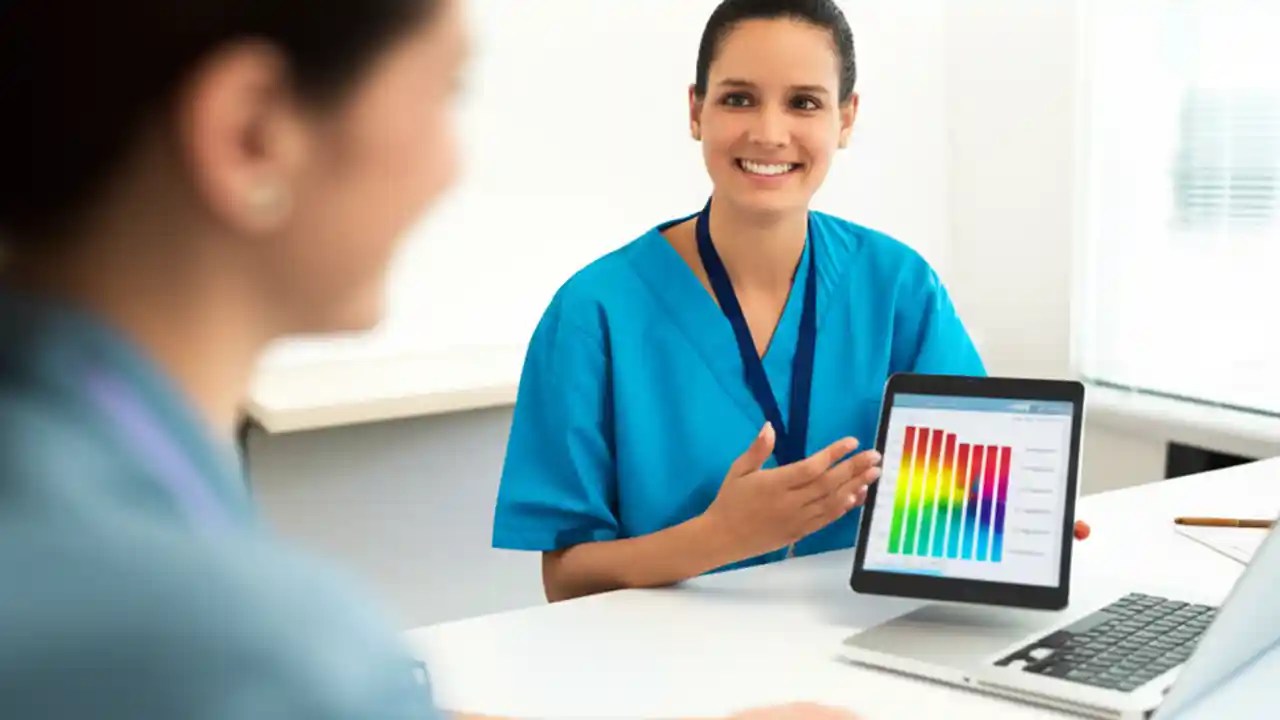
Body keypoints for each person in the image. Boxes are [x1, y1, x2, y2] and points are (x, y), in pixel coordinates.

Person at [0, 0, 857, 718]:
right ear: (252, 133)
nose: (449, 167)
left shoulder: (90, 488)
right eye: (442, 94)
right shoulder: (238, 643)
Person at [492, 0, 986, 603]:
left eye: (804, 102)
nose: (769, 133)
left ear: (846, 118)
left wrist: (1003, 530)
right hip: (671, 667)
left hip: (865, 647)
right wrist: (720, 537)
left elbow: (963, 499)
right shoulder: (594, 314)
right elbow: (565, 579)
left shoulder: (899, 287)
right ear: (696, 110)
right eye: (738, 98)